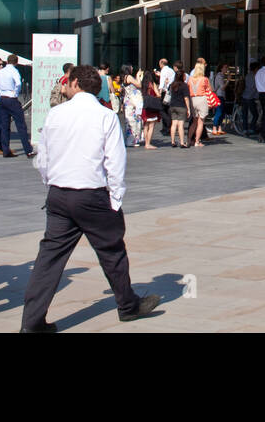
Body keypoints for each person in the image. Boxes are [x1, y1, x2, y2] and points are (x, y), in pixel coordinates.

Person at [20, 65, 161, 332]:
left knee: (49, 259)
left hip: (59, 194)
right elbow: (115, 161)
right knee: (112, 251)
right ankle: (128, 306)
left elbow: (44, 158)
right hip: (92, 194)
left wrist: (50, 184)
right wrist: (116, 197)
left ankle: (31, 322)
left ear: (75, 83)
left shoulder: (56, 113)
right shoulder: (105, 116)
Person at [0, 53, 33, 158]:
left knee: (5, 125)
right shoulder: (14, 71)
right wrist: (15, 92)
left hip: (2, 98)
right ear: (16, 62)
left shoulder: (1, 71)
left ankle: (5, 150)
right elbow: (18, 83)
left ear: (7, 62)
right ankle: (28, 150)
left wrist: (0, 91)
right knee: (21, 125)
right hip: (12, 98)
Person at [188, 61, 212, 147]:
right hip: (202, 99)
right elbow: (210, 90)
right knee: (201, 122)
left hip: (192, 99)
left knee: (194, 121)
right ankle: (197, 141)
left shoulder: (190, 79)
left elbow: (188, 88)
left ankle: (189, 139)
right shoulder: (204, 79)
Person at [167, 62, 191, 148]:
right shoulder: (184, 86)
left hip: (173, 105)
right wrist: (188, 108)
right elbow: (186, 98)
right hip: (181, 106)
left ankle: (173, 141)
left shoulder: (172, 85)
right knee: (180, 125)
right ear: (182, 76)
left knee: (174, 124)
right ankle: (181, 142)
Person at [140, 69, 162, 149]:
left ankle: (146, 142)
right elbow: (158, 94)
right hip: (152, 107)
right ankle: (148, 144)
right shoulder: (152, 84)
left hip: (145, 106)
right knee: (151, 126)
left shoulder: (143, 84)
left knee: (145, 126)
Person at [209, 64, 228, 136]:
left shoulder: (222, 76)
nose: (226, 69)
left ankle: (219, 128)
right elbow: (222, 87)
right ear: (221, 68)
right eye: (225, 67)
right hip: (219, 96)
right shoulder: (219, 76)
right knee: (219, 112)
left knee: (222, 113)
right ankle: (214, 128)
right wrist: (228, 80)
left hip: (221, 96)